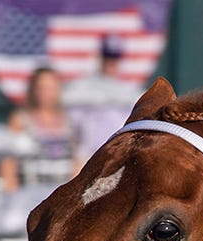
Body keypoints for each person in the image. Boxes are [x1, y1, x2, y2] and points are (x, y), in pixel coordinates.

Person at [63, 36, 147, 167]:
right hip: (87, 158)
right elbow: (69, 125)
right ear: (100, 58)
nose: (110, 63)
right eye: (107, 58)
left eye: (114, 59)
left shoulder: (130, 92)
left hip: (120, 157)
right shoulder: (81, 88)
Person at [0, 67, 75, 194]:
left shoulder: (68, 121)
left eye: (51, 88)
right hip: (30, 193)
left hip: (60, 195)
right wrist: (12, 194)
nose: (45, 92)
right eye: (41, 87)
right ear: (33, 89)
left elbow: (76, 160)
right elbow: (8, 162)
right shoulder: (20, 119)